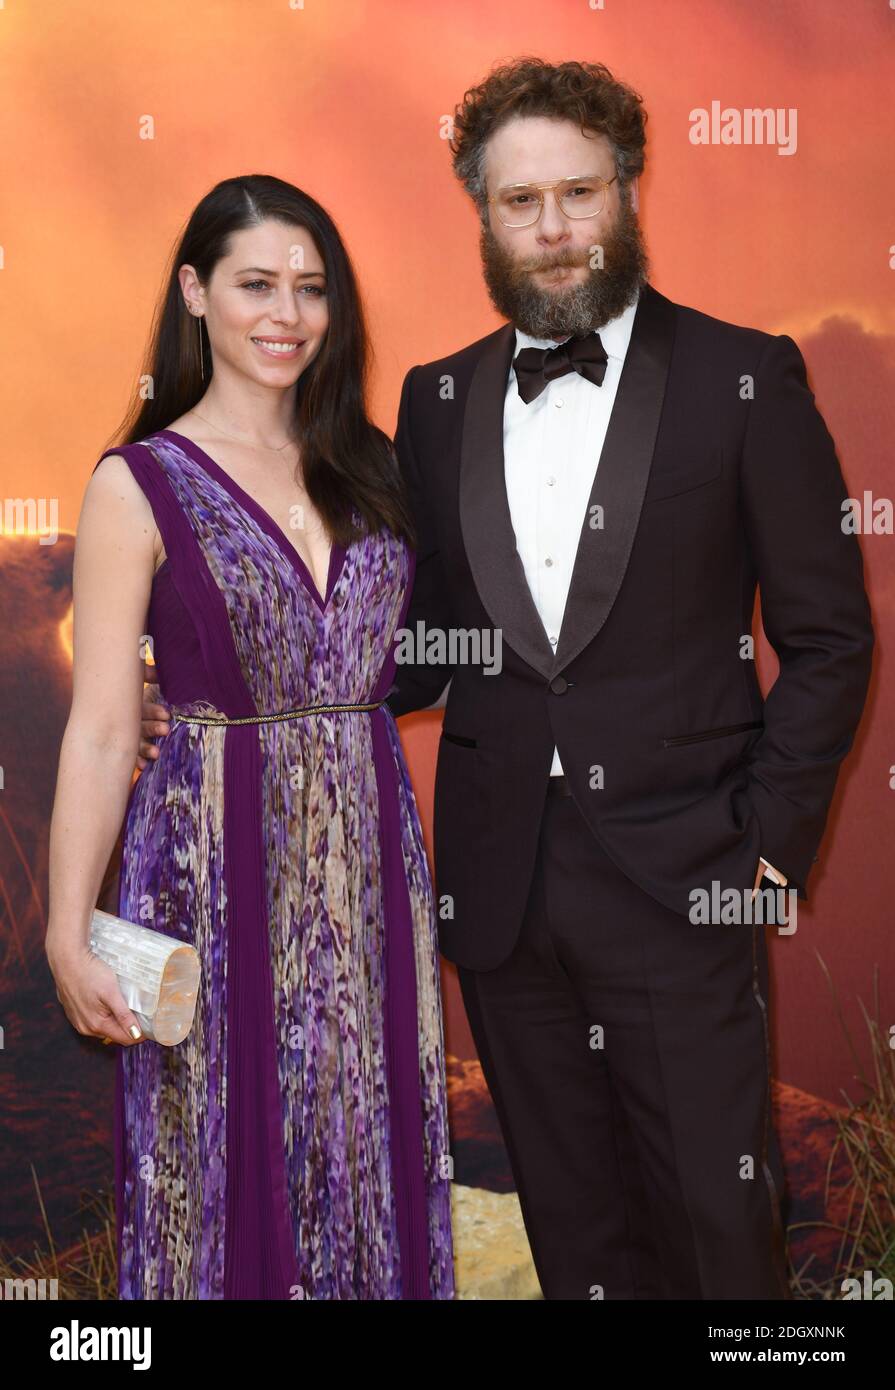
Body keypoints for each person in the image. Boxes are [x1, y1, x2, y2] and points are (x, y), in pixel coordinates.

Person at [141, 60, 875, 1299]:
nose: (553, 228)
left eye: (578, 193)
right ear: (479, 210)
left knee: (717, 1230)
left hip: (689, 879)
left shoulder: (744, 376)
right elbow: (413, 633)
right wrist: (245, 693)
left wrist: (764, 853)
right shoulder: (435, 399)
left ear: (627, 191)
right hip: (499, 897)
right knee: (575, 1236)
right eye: (519, 201)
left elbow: (829, 637)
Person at [46, 173, 454, 1300]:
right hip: (206, 867)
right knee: (213, 1167)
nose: (287, 315)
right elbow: (100, 727)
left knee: (369, 1149)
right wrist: (66, 931)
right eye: (256, 284)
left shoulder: (375, 463)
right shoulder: (138, 483)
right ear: (195, 292)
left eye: (311, 289)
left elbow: (424, 650)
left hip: (368, 867)